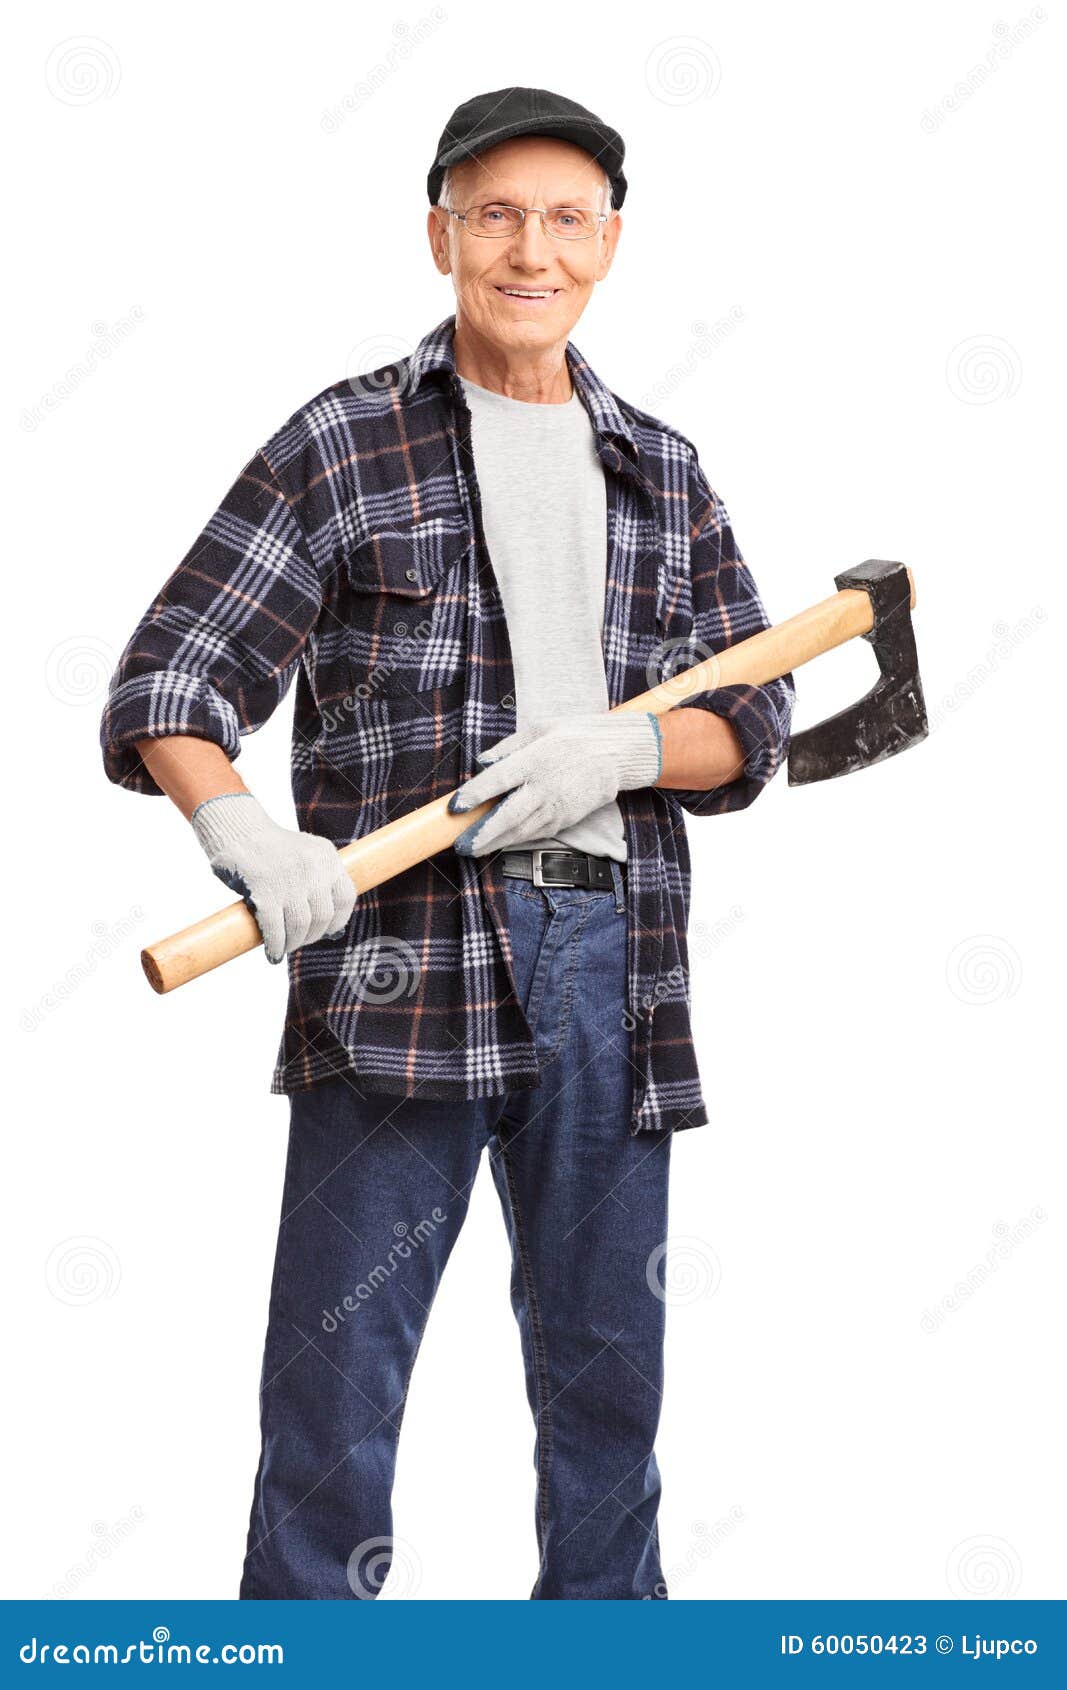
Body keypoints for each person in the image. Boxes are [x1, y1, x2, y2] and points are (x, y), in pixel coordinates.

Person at [100, 86, 794, 1600]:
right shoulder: (345, 443)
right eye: (494, 215)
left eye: (564, 218)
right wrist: (238, 826)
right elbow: (172, 676)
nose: (528, 249)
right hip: (397, 961)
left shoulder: (662, 470)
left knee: (610, 1409)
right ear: (440, 236)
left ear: (609, 243)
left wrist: (624, 745)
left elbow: (757, 715)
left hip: (616, 971)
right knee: (331, 1410)